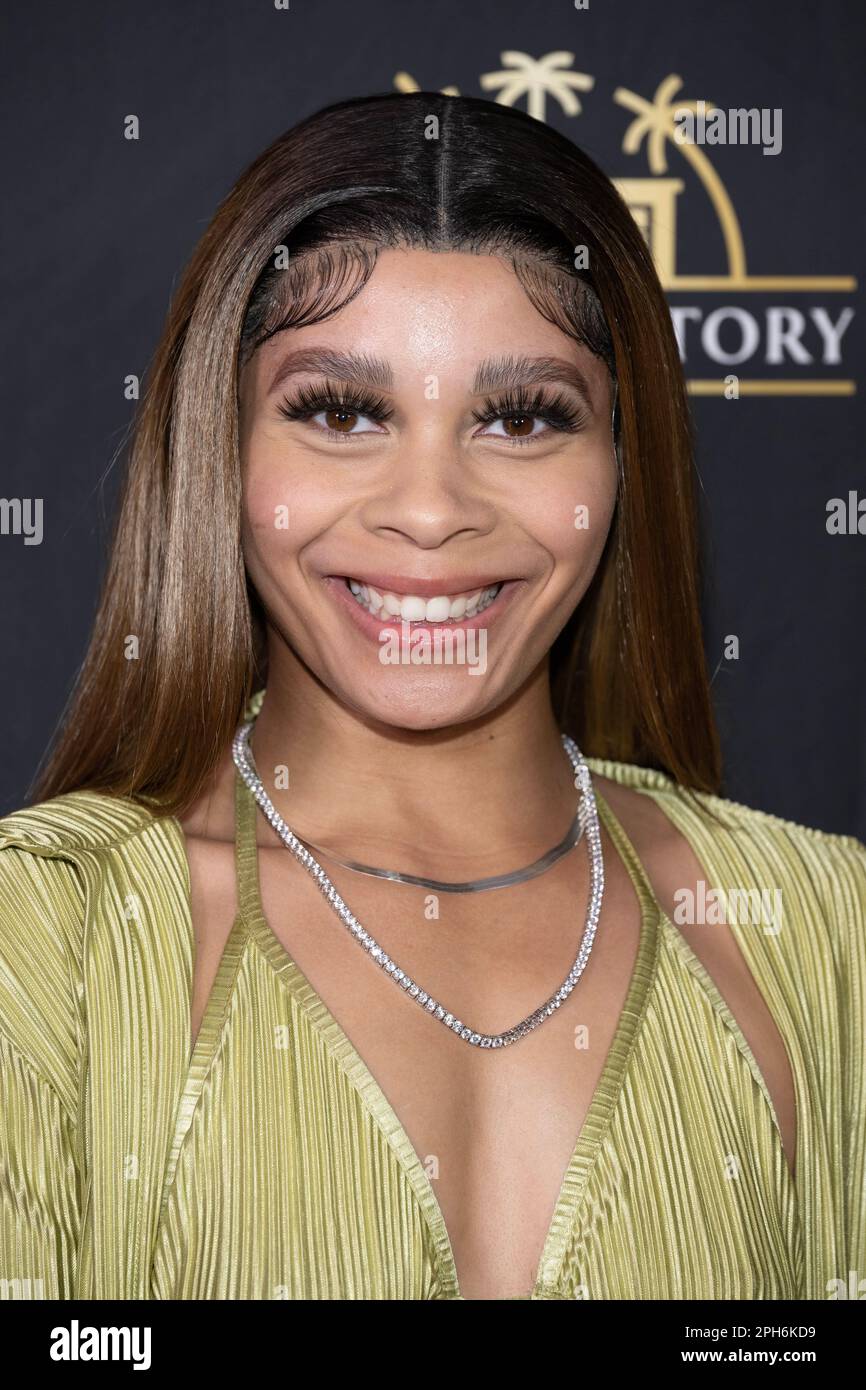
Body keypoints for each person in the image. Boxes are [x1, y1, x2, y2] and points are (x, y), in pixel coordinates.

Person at [0, 92, 863, 1302]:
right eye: (341, 412)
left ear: (622, 463)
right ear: (220, 448)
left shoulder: (823, 932)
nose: (428, 508)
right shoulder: (42, 940)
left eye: (520, 418)